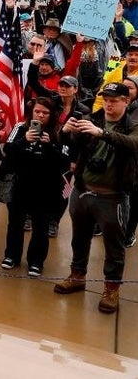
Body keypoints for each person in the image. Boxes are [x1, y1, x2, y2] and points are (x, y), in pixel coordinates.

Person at [56, 82, 138, 314]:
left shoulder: (132, 125)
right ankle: (77, 275)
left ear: (126, 101)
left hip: (112, 196)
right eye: (106, 99)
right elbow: (69, 144)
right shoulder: (93, 117)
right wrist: (66, 131)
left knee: (114, 246)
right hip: (83, 189)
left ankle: (111, 288)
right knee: (79, 238)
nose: (109, 104)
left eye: (114, 100)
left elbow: (134, 143)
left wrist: (102, 133)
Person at [0, 97, 68, 277]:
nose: (41, 115)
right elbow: (8, 152)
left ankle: (36, 262)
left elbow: (65, 162)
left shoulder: (59, 132)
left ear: (51, 115)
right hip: (20, 185)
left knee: (41, 226)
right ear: (32, 112)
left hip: (45, 188)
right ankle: (11, 256)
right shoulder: (20, 128)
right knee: (15, 223)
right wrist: (24, 141)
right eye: (37, 112)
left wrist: (50, 145)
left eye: (45, 113)